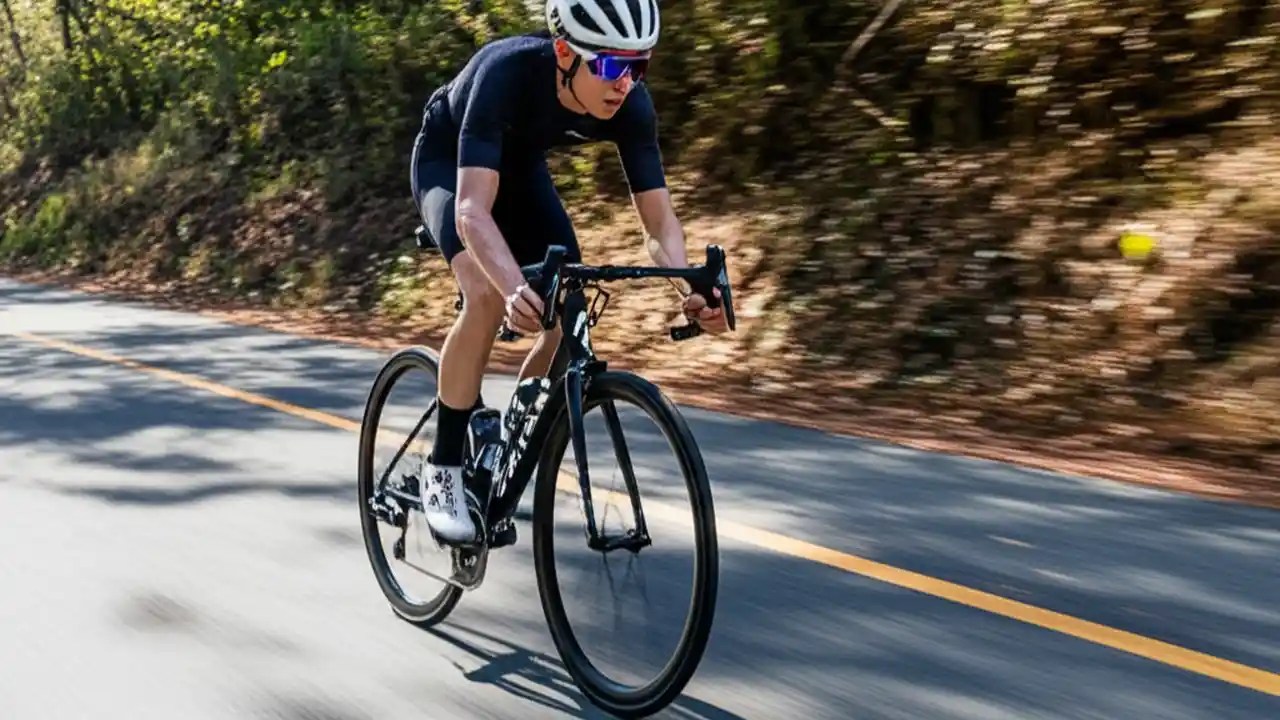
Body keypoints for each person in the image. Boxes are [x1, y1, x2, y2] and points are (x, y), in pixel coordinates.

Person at [408, 0, 730, 543]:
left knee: (568, 307)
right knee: (485, 297)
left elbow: (658, 224)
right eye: (608, 66)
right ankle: (442, 470)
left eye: (639, 66)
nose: (624, 82)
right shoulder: (504, 71)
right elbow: (471, 212)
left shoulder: (630, 103)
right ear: (564, 52)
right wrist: (512, 287)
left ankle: (508, 434)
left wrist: (690, 287)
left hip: (520, 168)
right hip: (448, 162)